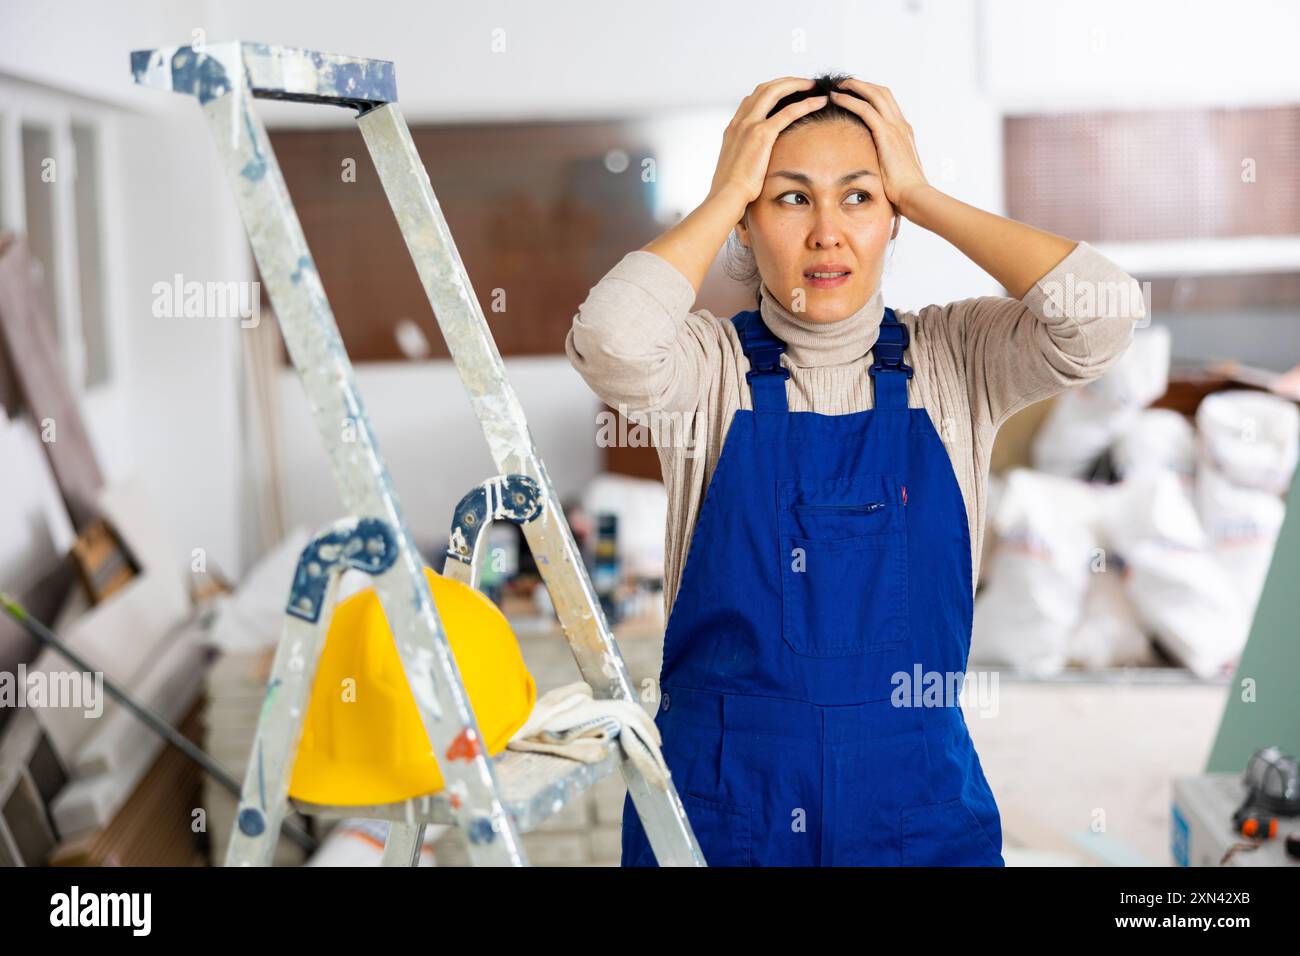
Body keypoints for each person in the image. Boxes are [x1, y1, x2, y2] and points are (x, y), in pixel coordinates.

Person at [565, 73, 1142, 866]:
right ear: (748, 220)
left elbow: (1104, 313)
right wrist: (727, 185)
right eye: (790, 198)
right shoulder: (705, 369)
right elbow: (611, 339)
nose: (827, 233)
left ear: (894, 218)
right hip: (727, 800)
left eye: (861, 198)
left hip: (912, 796)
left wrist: (922, 191)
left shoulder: (957, 358)